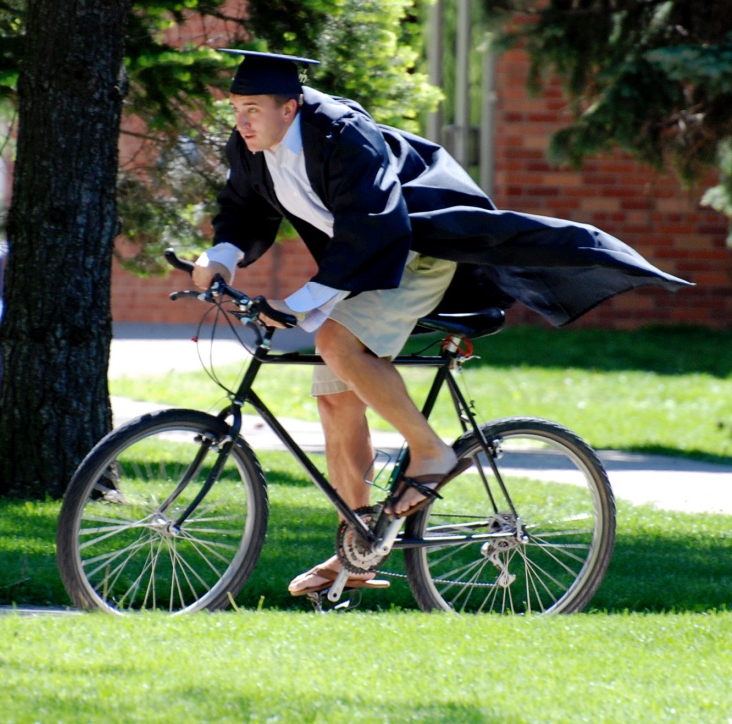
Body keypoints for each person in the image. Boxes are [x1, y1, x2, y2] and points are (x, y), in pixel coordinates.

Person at [192, 49, 689, 596]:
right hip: (365, 263)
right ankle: (359, 549)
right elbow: (243, 208)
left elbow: (375, 224)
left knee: (335, 338)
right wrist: (221, 256)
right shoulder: (253, 145)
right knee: (335, 399)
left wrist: (302, 300)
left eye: (253, 108)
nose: (241, 120)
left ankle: (431, 452)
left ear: (290, 107)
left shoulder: (340, 132)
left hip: (415, 250)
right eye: (236, 107)